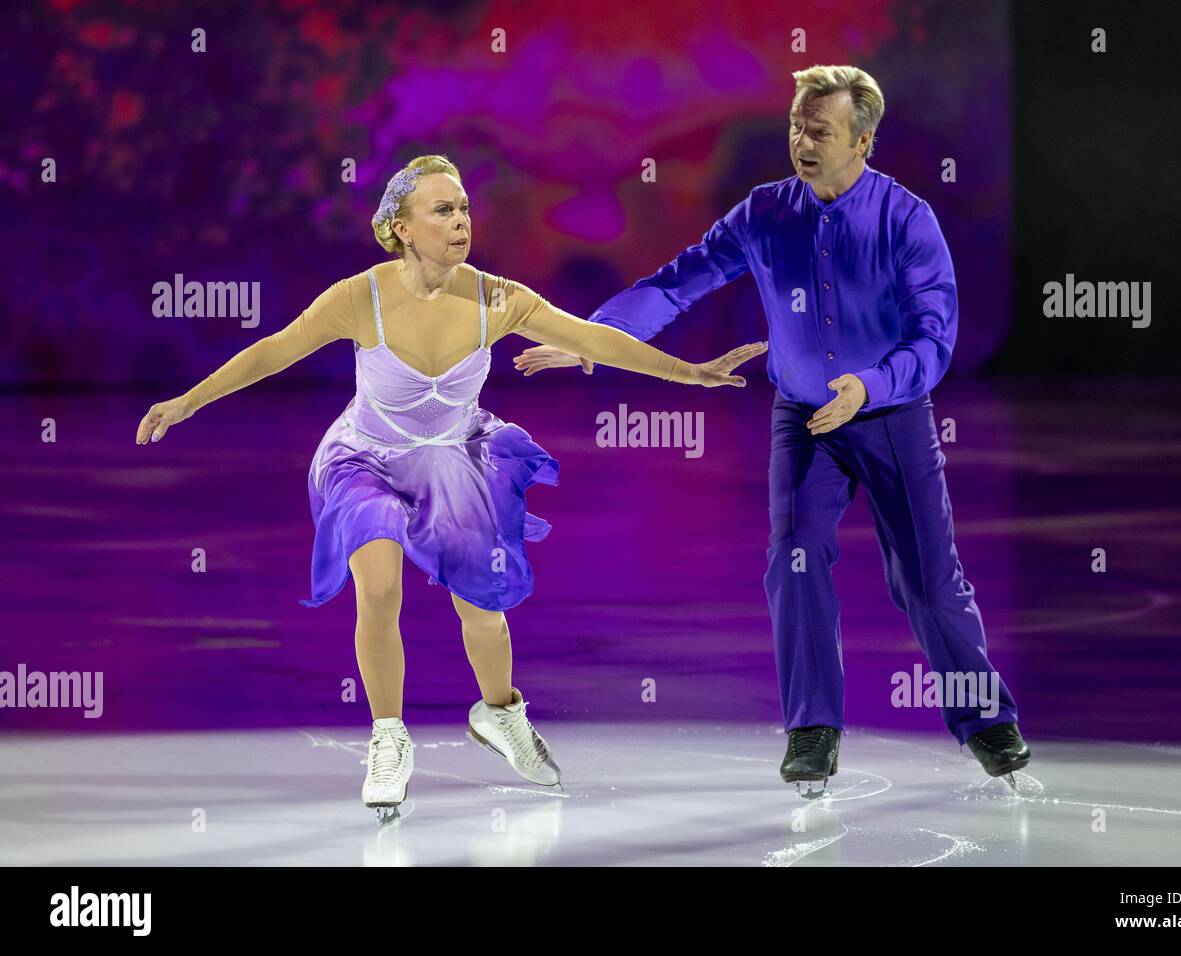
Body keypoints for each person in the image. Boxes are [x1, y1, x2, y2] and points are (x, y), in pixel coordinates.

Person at [135, 154, 766, 821]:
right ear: (401, 227)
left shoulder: (498, 298)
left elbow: (595, 341)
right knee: (378, 585)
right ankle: (387, 735)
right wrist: (188, 402)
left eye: (463, 208)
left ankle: (499, 715)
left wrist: (688, 374)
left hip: (455, 461)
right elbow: (273, 350)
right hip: (365, 460)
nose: (460, 221)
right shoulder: (361, 298)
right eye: (442, 210)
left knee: (483, 611)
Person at [515, 66, 1030, 798]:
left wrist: (870, 386)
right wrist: (594, 339)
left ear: (863, 141)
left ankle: (984, 719)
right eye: (796, 124)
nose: (802, 141)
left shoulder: (905, 219)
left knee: (926, 581)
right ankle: (812, 730)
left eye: (820, 130)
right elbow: (678, 280)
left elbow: (934, 339)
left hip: (889, 416)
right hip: (805, 421)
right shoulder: (764, 213)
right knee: (793, 557)